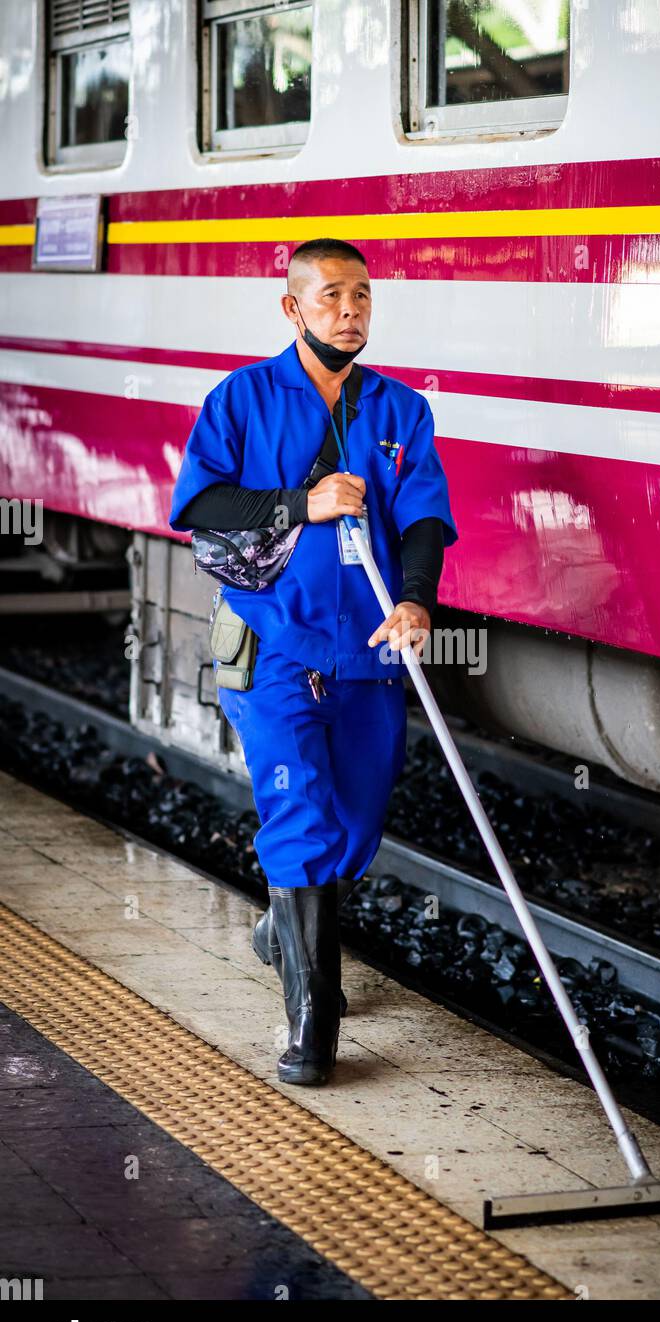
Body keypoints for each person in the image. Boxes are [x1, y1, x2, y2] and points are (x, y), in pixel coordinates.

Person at [168, 238, 458, 1086]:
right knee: (302, 821)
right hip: (275, 647)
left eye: (362, 295)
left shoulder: (402, 411)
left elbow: (426, 520)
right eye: (331, 296)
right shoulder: (242, 399)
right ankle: (313, 1019)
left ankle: (280, 931)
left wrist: (416, 601)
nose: (350, 311)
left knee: (356, 826)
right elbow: (200, 502)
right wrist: (304, 502)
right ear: (292, 308)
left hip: (368, 652)